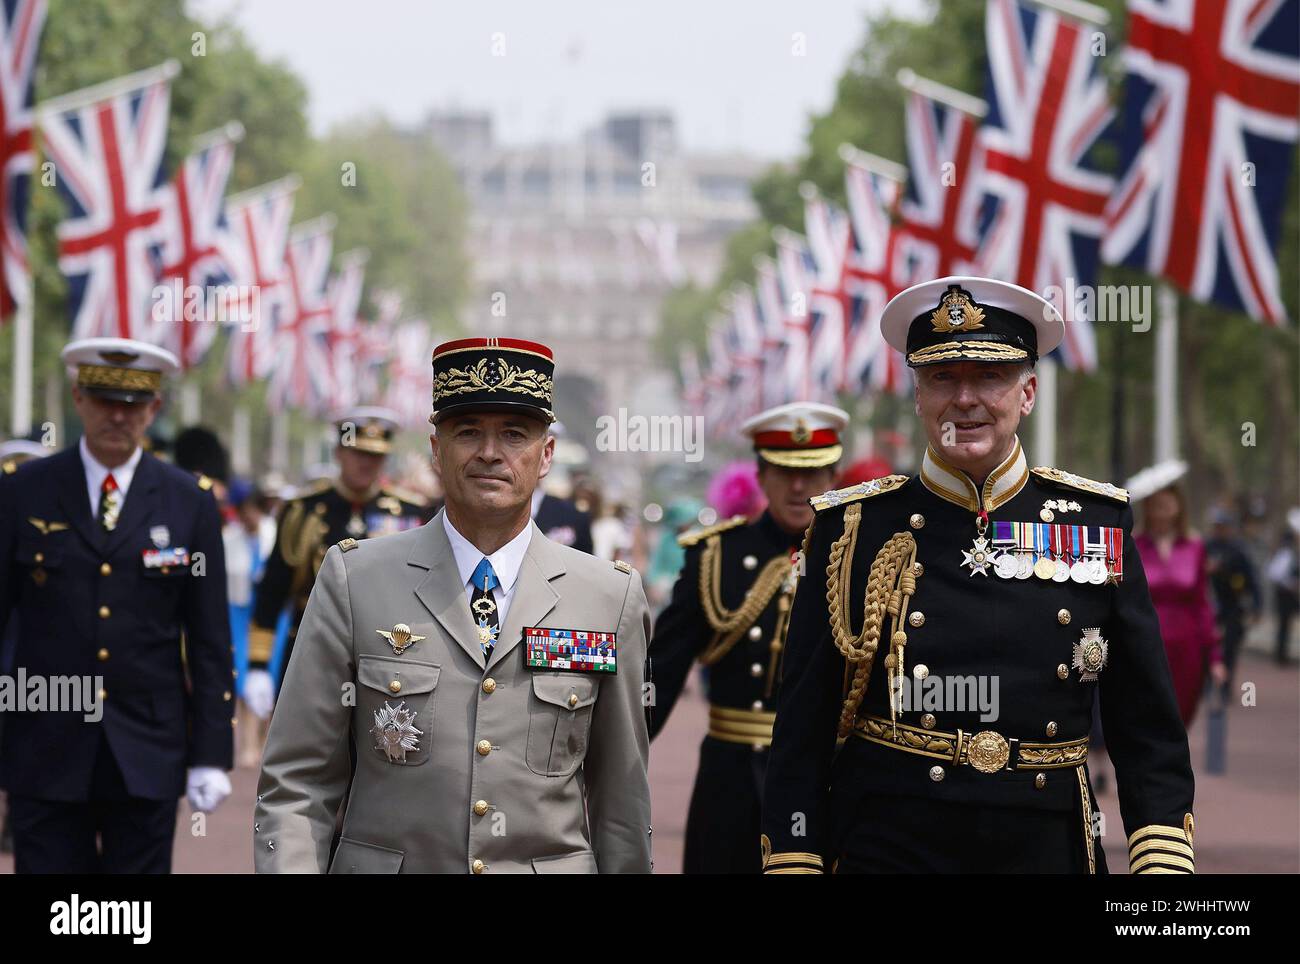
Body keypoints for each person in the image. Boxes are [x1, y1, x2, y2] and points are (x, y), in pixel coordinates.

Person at [761, 277, 1196, 875]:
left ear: (1028, 393)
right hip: (890, 843)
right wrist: (794, 856)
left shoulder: (1096, 523)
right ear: (918, 395)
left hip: (1044, 845)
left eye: (989, 377)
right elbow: (804, 726)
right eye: (943, 378)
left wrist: (1161, 855)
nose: (965, 400)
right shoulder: (853, 530)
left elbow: (1145, 722)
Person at [254, 337, 652, 873]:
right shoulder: (356, 579)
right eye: (469, 432)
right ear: (437, 449)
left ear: (546, 456)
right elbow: (298, 783)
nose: (491, 452)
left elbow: (621, 802)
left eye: (514, 434)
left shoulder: (607, 597)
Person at [0, 337, 233, 873]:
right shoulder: (24, 491)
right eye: (105, 400)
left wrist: (212, 753)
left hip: (147, 749)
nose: (118, 416)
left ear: (154, 408)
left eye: (132, 404)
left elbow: (209, 637)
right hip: (44, 741)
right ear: (78, 398)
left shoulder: (188, 500)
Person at [650, 402, 847, 873]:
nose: (799, 486)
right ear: (760, 475)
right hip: (730, 779)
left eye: (814, 472)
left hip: (826, 779)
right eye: (783, 471)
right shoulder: (715, 557)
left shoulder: (859, 558)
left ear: (834, 475)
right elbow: (659, 675)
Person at [242, 407, 429, 717]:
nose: (366, 463)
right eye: (358, 453)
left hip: (387, 653)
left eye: (375, 456)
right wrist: (258, 664)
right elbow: (274, 588)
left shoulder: (410, 511)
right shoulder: (303, 509)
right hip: (313, 645)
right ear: (339, 452)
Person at [1126, 462, 1226, 725]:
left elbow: (1202, 604)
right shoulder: (1134, 544)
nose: (1162, 510)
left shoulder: (1194, 546)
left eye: (1168, 503)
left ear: (1179, 505)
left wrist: (1214, 657)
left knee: (1181, 719)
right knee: (1146, 719)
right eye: (1156, 504)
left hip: (1187, 648)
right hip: (1145, 645)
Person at [1203, 506, 1260, 690]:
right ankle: (1209, 681)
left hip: (1233, 604)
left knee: (1230, 646)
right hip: (1210, 603)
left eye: (1222, 526)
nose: (1219, 530)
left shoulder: (1238, 550)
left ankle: (1226, 685)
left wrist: (1257, 606)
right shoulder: (1206, 547)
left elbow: (1252, 579)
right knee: (1208, 643)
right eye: (1216, 526)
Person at [1267, 516, 1300, 665]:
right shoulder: (1286, 553)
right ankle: (1281, 655)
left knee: (1285, 625)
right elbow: (1274, 573)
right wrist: (1291, 583)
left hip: (1287, 594)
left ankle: (1282, 654)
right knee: (1284, 625)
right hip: (1284, 594)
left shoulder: (1288, 553)